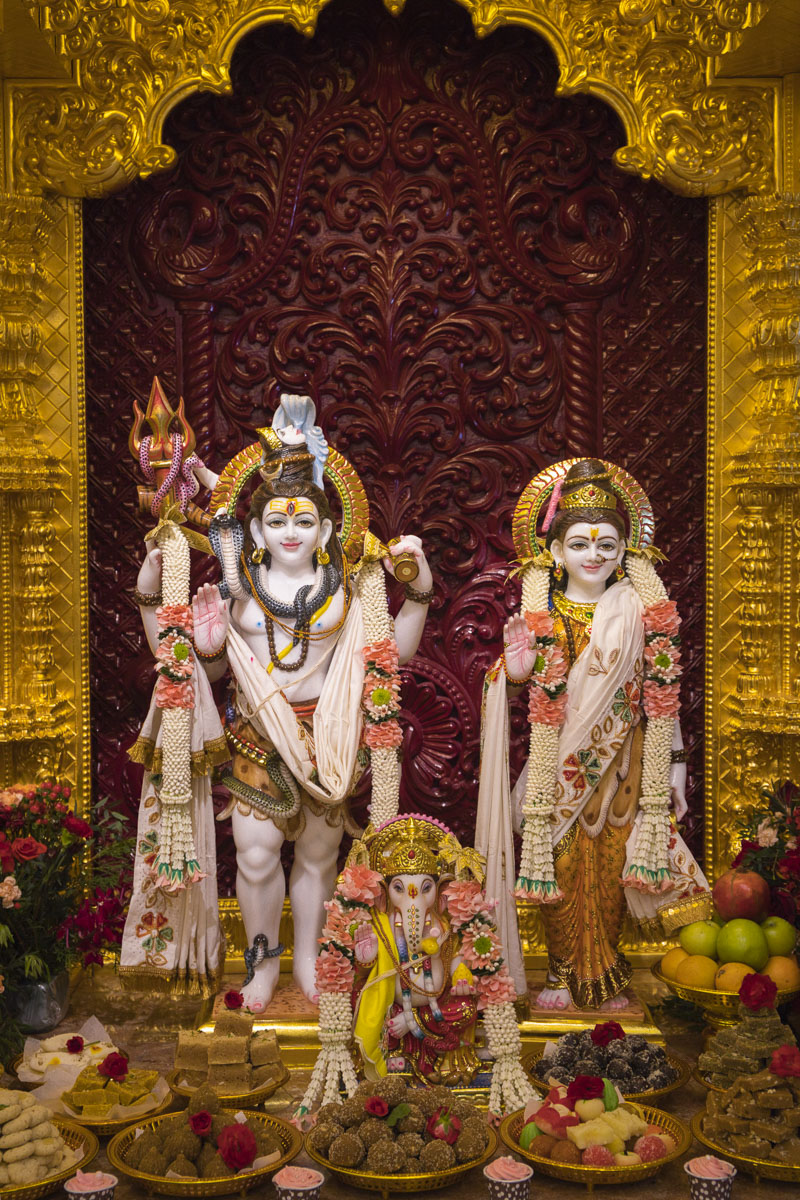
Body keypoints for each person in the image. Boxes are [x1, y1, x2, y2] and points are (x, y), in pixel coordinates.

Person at [139, 395, 433, 1012]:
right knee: (254, 857)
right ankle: (263, 963)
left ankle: (308, 959)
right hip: (256, 739)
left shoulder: (349, 586)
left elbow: (392, 655)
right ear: (255, 531)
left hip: (327, 737)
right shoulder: (236, 589)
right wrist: (203, 639)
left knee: (320, 858)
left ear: (325, 531)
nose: (291, 532)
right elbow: (202, 669)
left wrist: (419, 594)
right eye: (277, 521)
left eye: (303, 520)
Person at [477, 458, 710, 1011]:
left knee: (610, 870)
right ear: (557, 552)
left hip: (625, 765)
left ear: (624, 550)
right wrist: (515, 668)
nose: (594, 556)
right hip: (560, 765)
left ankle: (607, 971)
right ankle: (560, 972)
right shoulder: (542, 614)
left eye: (607, 545)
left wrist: (675, 768)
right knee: (559, 866)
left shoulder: (639, 611)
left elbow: (662, 694)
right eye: (580, 544)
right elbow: (514, 684)